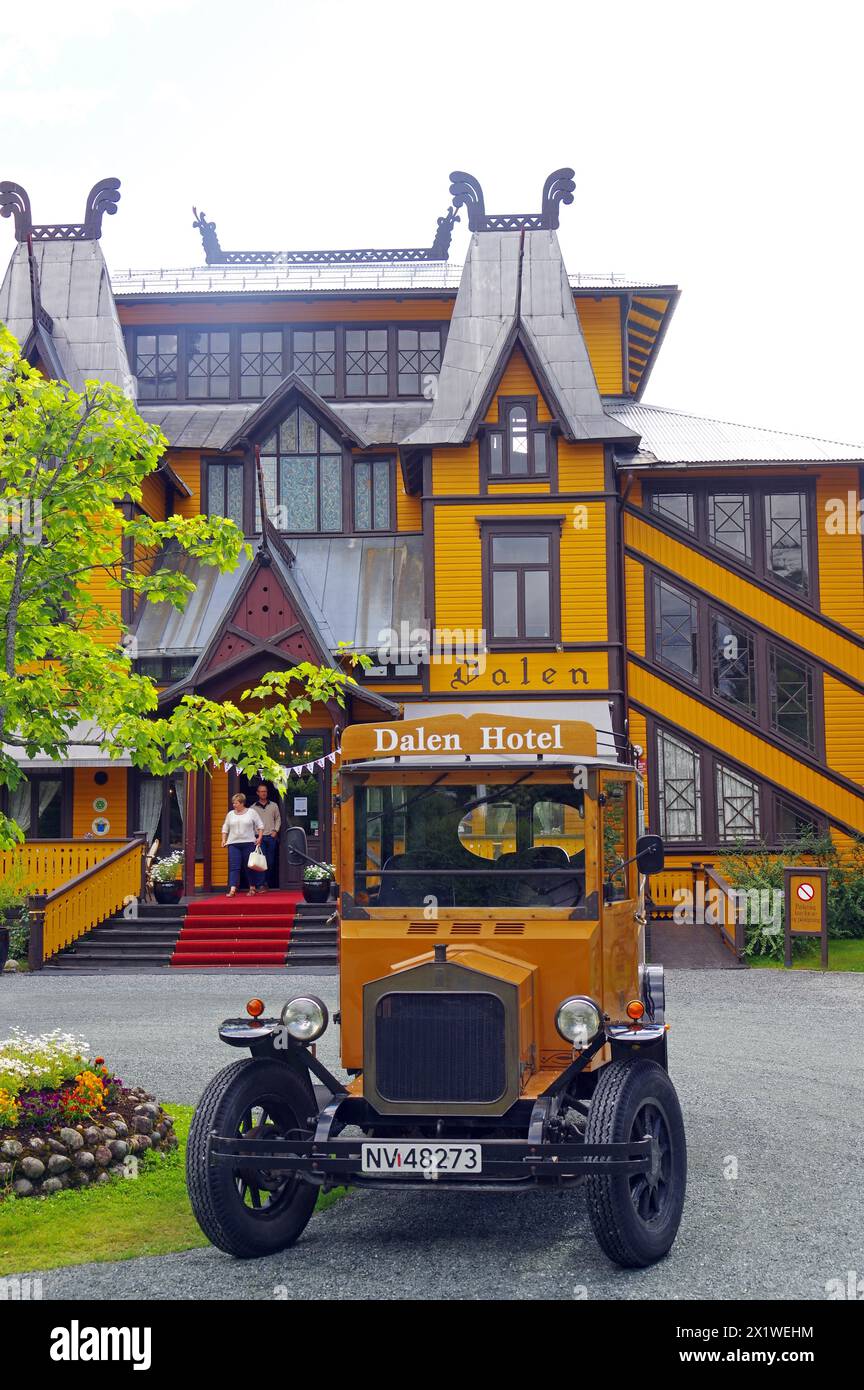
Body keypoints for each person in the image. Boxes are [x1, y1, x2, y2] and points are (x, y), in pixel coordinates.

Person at [221, 793, 265, 897]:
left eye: (236, 803)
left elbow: (260, 825)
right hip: (233, 843)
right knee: (234, 867)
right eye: (233, 803)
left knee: (249, 866)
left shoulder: (251, 812)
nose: (234, 805)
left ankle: (252, 887)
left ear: (242, 803)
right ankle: (232, 889)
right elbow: (225, 828)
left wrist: (259, 838)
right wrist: (223, 840)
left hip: (248, 842)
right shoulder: (230, 814)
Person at [254, 782, 281, 892]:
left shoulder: (274, 805)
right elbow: (251, 823)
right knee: (261, 861)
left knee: (270, 862)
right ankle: (261, 884)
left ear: (267, 792)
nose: (263, 793)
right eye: (261, 791)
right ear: (257, 793)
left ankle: (267, 882)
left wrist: (276, 830)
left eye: (265, 791)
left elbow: (278, 819)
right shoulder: (253, 808)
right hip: (259, 838)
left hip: (271, 837)